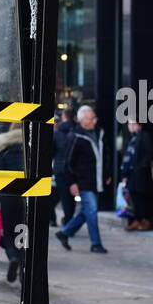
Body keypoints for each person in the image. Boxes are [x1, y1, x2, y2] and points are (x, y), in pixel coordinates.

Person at [55, 105, 110, 254]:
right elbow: (68, 162)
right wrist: (72, 182)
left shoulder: (100, 132)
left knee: (87, 211)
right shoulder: (75, 136)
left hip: (96, 179)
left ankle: (64, 232)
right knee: (91, 211)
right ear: (82, 120)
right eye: (91, 118)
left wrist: (106, 174)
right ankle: (96, 244)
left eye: (95, 117)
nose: (95, 120)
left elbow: (105, 156)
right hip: (83, 181)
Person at [0, 125, 26, 282]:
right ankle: (23, 268)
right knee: (24, 231)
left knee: (9, 232)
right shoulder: (32, 150)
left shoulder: (4, 151)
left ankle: (13, 257)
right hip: (27, 197)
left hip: (8, 197)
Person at [120, 121, 153, 230]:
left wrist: (141, 166)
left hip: (141, 174)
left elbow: (150, 153)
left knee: (141, 198)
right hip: (132, 174)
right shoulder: (133, 138)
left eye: (133, 124)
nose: (131, 126)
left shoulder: (144, 136)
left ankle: (145, 220)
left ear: (139, 125)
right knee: (133, 197)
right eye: (130, 124)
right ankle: (136, 220)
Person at [52, 107, 76, 225]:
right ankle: (69, 219)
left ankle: (68, 220)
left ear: (63, 117)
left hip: (60, 169)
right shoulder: (78, 130)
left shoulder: (57, 132)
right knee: (71, 196)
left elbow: (52, 151)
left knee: (64, 196)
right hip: (74, 168)